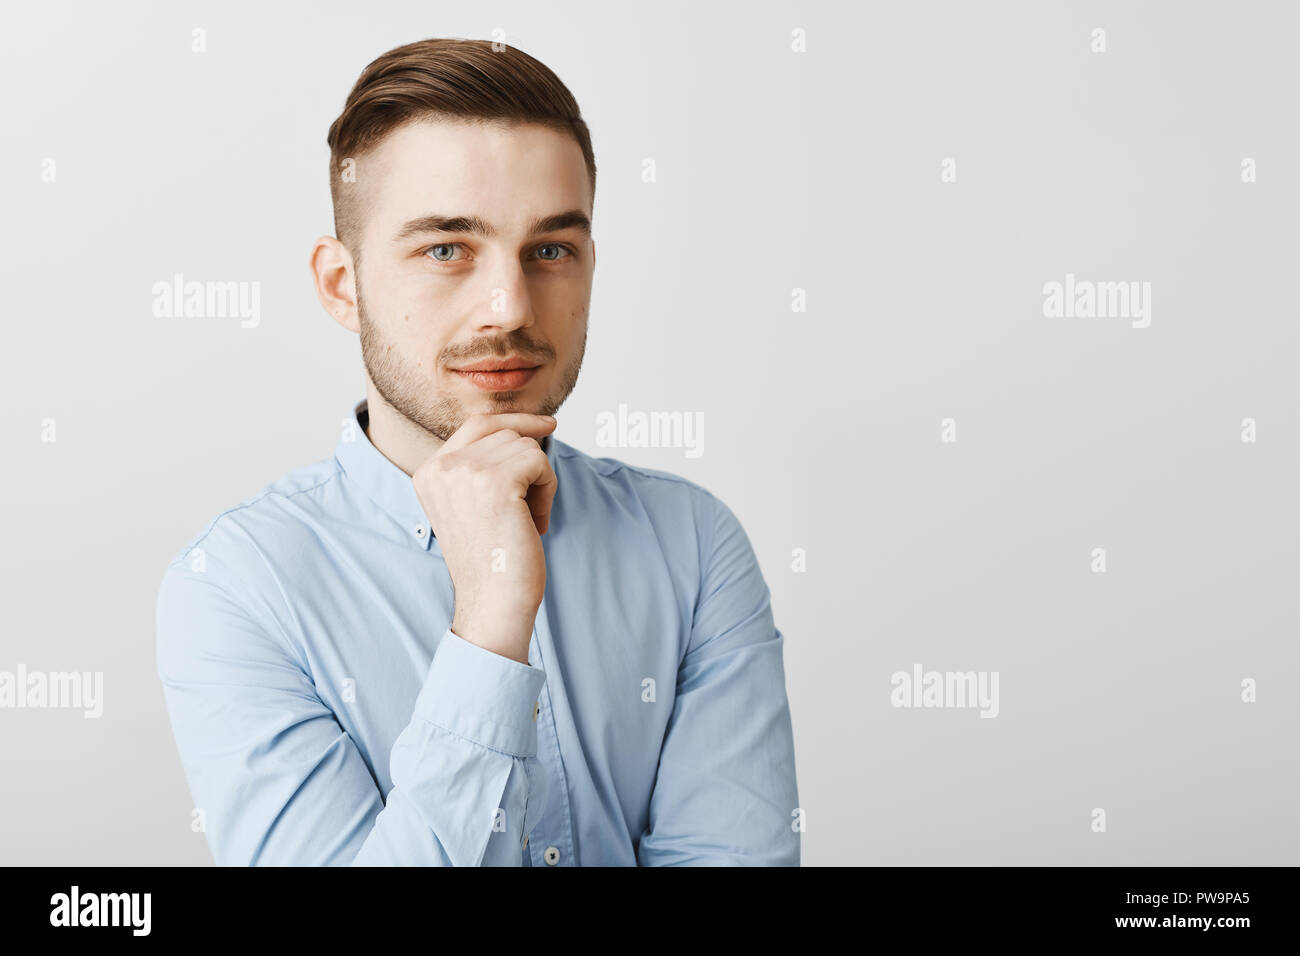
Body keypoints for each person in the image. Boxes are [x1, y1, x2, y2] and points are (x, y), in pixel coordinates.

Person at [156, 36, 799, 866]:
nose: (508, 306)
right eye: (446, 249)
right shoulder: (240, 587)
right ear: (340, 286)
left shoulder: (695, 544)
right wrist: (491, 623)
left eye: (551, 250)